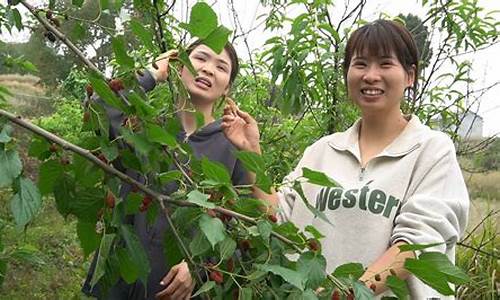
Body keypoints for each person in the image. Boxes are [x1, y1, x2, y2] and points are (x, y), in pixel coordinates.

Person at [221, 19, 469, 299]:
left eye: (385, 64)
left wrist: (345, 295)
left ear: (409, 75)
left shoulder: (432, 150)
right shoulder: (322, 151)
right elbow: (279, 221)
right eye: (360, 64)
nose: (371, 75)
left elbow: (414, 247)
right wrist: (252, 152)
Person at [82, 40, 248, 300]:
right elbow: (99, 105)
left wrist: (200, 266)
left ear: (227, 88)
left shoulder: (234, 147)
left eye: (221, 67)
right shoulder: (144, 127)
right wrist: (151, 73)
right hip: (119, 286)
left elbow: (242, 228)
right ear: (178, 67)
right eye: (200, 58)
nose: (208, 69)